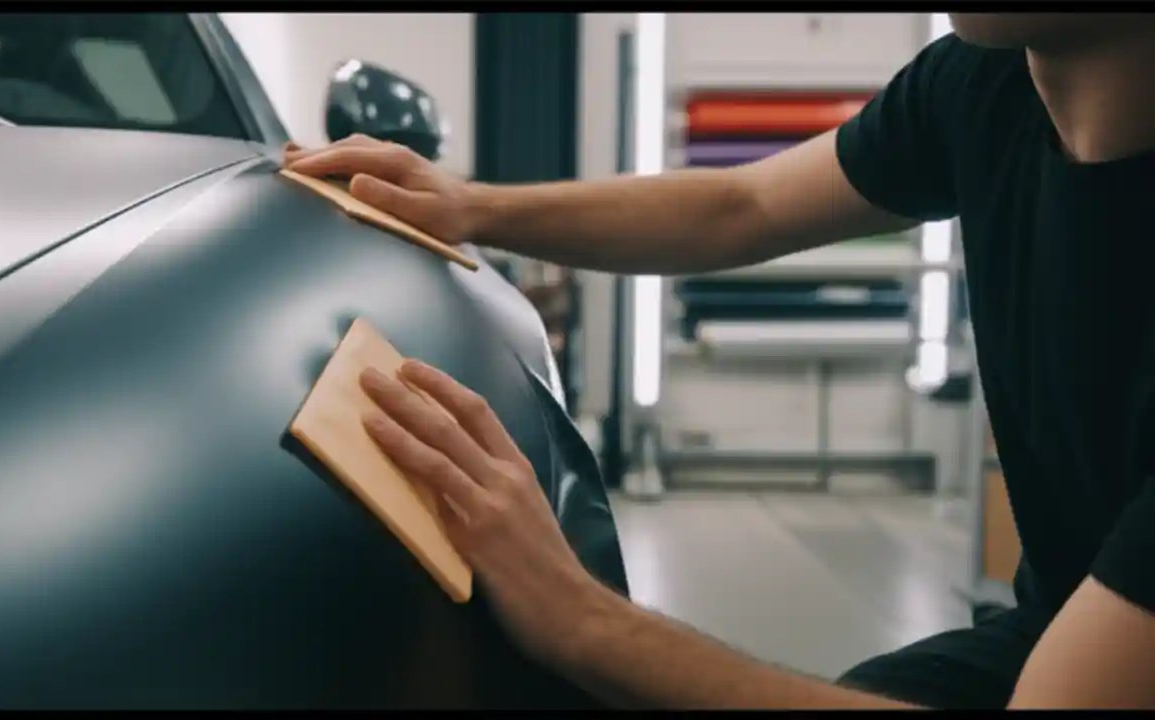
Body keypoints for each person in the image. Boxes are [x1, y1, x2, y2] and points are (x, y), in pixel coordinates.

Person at [282, 13, 1155, 709]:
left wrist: (577, 617)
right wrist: (472, 207)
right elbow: (743, 204)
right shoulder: (982, 85)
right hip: (1056, 623)